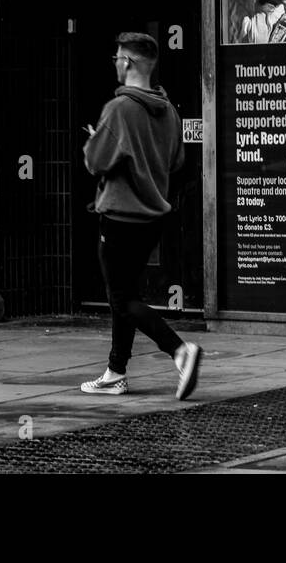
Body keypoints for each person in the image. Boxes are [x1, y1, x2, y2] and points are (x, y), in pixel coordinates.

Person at [80, 32, 201, 400]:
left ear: (128, 62)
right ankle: (116, 372)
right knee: (127, 294)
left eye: (118, 57)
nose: (115, 63)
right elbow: (176, 162)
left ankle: (180, 350)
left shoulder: (118, 110)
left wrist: (93, 140)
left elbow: (95, 161)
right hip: (153, 219)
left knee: (121, 300)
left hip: (119, 217)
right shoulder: (169, 112)